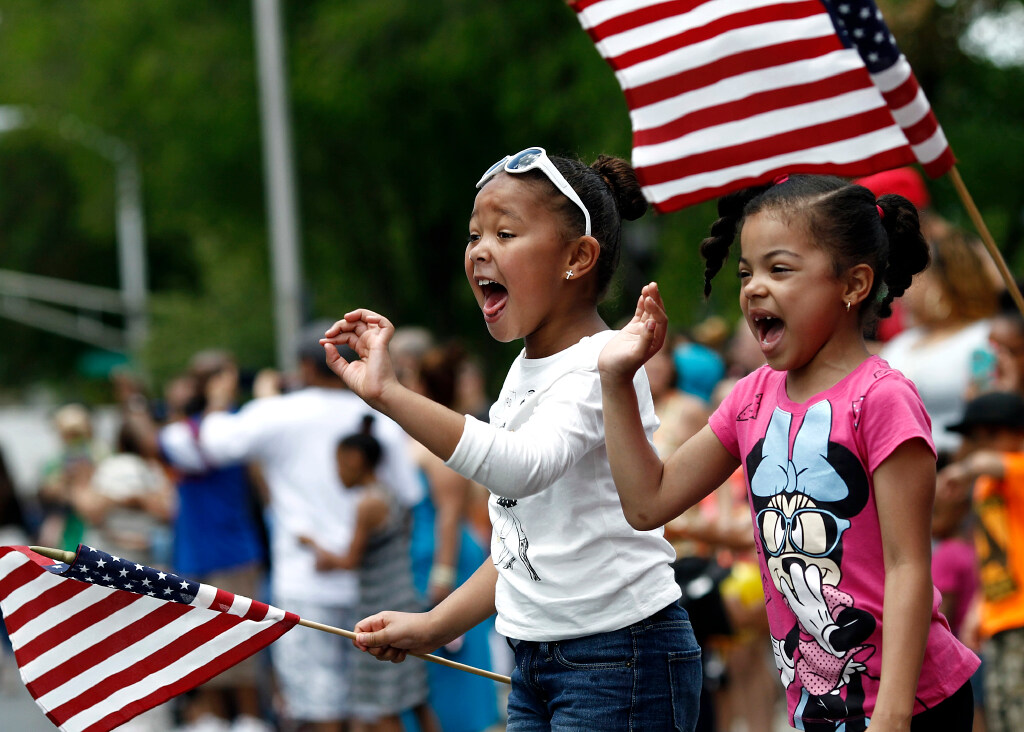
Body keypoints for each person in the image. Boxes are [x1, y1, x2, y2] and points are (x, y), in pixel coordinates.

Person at [321, 146, 701, 730]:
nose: (479, 250)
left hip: (622, 655)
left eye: (504, 233)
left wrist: (390, 395)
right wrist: (435, 625)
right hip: (537, 659)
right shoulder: (523, 372)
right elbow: (520, 548)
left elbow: (522, 467)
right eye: (474, 235)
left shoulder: (603, 360)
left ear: (577, 257)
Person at [598, 174, 980, 731]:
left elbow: (908, 567)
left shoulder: (882, 398)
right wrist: (616, 381)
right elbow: (647, 503)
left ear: (853, 284)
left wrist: (893, 715)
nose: (753, 288)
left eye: (779, 269)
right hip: (819, 706)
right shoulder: (751, 397)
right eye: (746, 272)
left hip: (914, 706)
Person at [158, 332, 423, 732]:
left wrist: (219, 399)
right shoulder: (379, 414)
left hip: (303, 583)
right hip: (370, 586)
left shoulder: (277, 412)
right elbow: (407, 495)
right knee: (372, 707)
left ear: (305, 366)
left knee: (318, 707)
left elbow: (211, 445)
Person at [299, 418, 437, 732]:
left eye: (339, 464)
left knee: (385, 705)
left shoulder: (367, 504)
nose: (337, 473)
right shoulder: (389, 493)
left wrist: (314, 546)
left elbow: (350, 560)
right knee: (416, 698)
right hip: (404, 596)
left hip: (383, 603)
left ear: (354, 460)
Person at [406, 343, 499, 732]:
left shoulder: (439, 438)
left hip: (444, 560)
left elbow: (448, 513)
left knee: (454, 659)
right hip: (418, 557)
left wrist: (442, 577)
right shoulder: (418, 434)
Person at [938, 391, 1024, 732]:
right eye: (975, 438)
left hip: (1020, 615)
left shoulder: (1015, 469)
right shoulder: (985, 486)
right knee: (1001, 711)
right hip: (998, 614)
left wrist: (962, 469)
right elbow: (991, 554)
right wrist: (979, 607)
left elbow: (990, 463)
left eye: (988, 435)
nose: (979, 446)